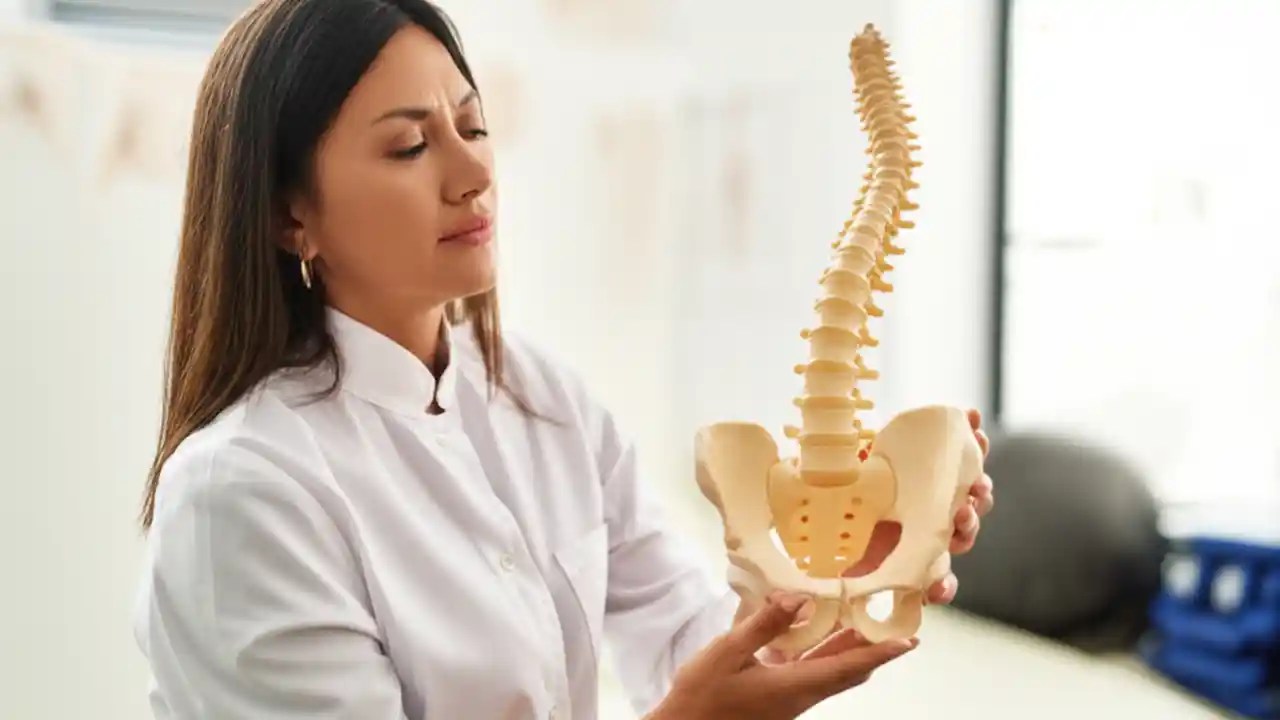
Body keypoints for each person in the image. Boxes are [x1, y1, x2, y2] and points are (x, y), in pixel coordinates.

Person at [131, 1, 995, 718]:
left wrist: (856, 558)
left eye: (473, 126)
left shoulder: (543, 402)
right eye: (410, 147)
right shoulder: (243, 493)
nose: (472, 172)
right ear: (289, 216)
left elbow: (701, 642)